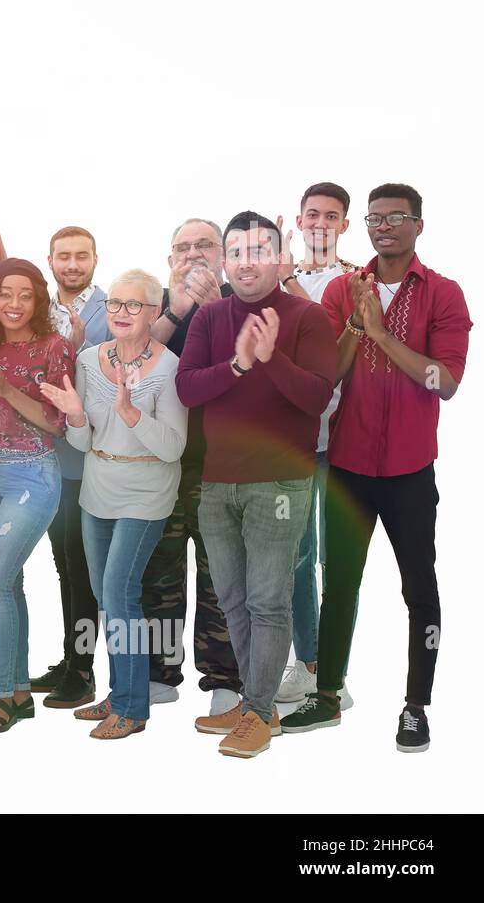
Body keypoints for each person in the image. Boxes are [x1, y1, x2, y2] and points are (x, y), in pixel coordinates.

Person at [284, 184, 471, 754]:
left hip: (411, 471)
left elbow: (447, 383)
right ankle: (328, 695)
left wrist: (385, 335)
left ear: (419, 224)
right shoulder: (345, 289)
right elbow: (329, 374)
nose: (383, 226)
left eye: (396, 217)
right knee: (338, 583)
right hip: (349, 466)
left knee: (421, 590)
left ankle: (417, 705)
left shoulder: (444, 293)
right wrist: (358, 327)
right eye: (374, 218)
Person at [176, 211, 337, 758]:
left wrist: (272, 360)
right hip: (218, 484)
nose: (248, 262)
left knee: (269, 602)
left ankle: (261, 713)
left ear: (278, 257)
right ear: (226, 261)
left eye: (259, 251)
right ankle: (253, 704)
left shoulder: (308, 318)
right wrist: (240, 367)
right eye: (237, 252)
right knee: (233, 601)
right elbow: (188, 389)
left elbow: (317, 398)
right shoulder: (210, 317)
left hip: (281, 484)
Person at [43, 270, 187, 739]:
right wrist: (77, 416)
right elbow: (83, 443)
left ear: (153, 313)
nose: (122, 313)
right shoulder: (88, 360)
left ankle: (132, 707)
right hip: (98, 485)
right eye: (116, 304)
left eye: (135, 306)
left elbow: (172, 447)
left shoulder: (169, 367)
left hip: (146, 489)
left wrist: (132, 415)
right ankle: (120, 691)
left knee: (122, 593)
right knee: (108, 598)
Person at [0, 259, 73, 732]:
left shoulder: (54, 348)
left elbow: (56, 423)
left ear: (38, 300)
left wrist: (6, 388)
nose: (14, 303)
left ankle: (2, 694)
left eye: (25, 294)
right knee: (8, 585)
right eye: (6, 293)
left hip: (33, 475)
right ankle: (20, 690)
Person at [141, 218, 241, 715]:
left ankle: (224, 676)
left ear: (223, 254)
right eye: (183, 247)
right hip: (161, 465)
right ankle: (161, 671)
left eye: (205, 244)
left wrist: (213, 308)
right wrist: (177, 310)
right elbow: (129, 366)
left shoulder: (241, 301)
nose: (194, 254)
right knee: (158, 571)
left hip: (220, 466)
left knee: (219, 572)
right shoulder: (152, 304)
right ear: (170, 260)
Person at [274, 183, 358, 706]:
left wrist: (285, 276)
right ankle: (306, 665)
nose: (321, 223)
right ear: (300, 223)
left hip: (347, 437)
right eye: (312, 215)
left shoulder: (358, 280)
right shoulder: (277, 282)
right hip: (295, 438)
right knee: (297, 557)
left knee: (338, 559)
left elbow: (329, 335)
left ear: (344, 224)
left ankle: (334, 673)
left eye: (331, 215)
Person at [34, 225, 111, 708]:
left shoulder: (113, 306)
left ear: (95, 259)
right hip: (50, 460)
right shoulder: (38, 310)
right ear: (50, 259)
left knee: (83, 569)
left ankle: (83, 670)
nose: (72, 264)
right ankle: (69, 657)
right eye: (64, 256)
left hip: (96, 460)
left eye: (81, 256)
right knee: (64, 565)